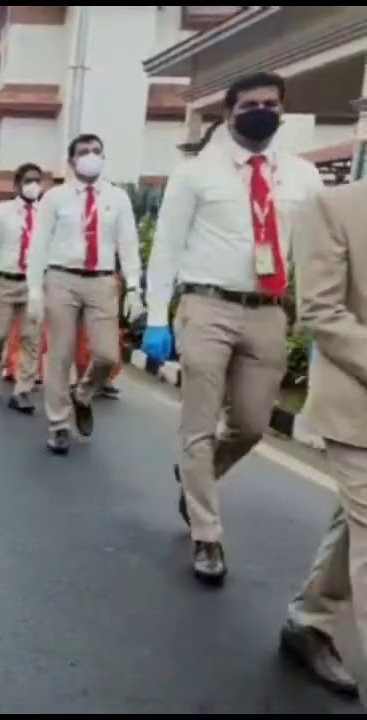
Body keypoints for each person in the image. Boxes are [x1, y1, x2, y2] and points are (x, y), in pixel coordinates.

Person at [143, 72, 325, 583]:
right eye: (249, 104)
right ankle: (207, 535)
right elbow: (167, 248)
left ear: (282, 112)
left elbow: (315, 252)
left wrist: (317, 324)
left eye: (270, 104)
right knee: (198, 424)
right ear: (229, 113)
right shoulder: (196, 172)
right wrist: (157, 316)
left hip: (268, 311)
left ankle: (197, 476)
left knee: (249, 425)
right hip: (207, 306)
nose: (261, 110)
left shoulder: (302, 177)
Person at [283, 176, 367, 700]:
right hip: (359, 405)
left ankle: (309, 620)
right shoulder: (333, 206)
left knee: (353, 520)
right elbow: (322, 312)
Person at [26, 132, 143, 456]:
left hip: (102, 281)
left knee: (107, 355)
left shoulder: (118, 198)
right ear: (71, 160)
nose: (90, 155)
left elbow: (128, 244)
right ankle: (59, 424)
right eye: (83, 151)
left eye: (96, 151)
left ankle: (84, 394)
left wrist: (134, 287)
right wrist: (35, 290)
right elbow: (38, 247)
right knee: (59, 355)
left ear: (103, 158)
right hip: (62, 278)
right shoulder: (54, 198)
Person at [0, 163, 42, 413]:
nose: (34, 185)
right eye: (28, 180)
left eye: (38, 181)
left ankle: (23, 390)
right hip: (4, 281)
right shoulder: (0, 212)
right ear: (17, 185)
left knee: (32, 338)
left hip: (33, 283)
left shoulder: (47, 214)